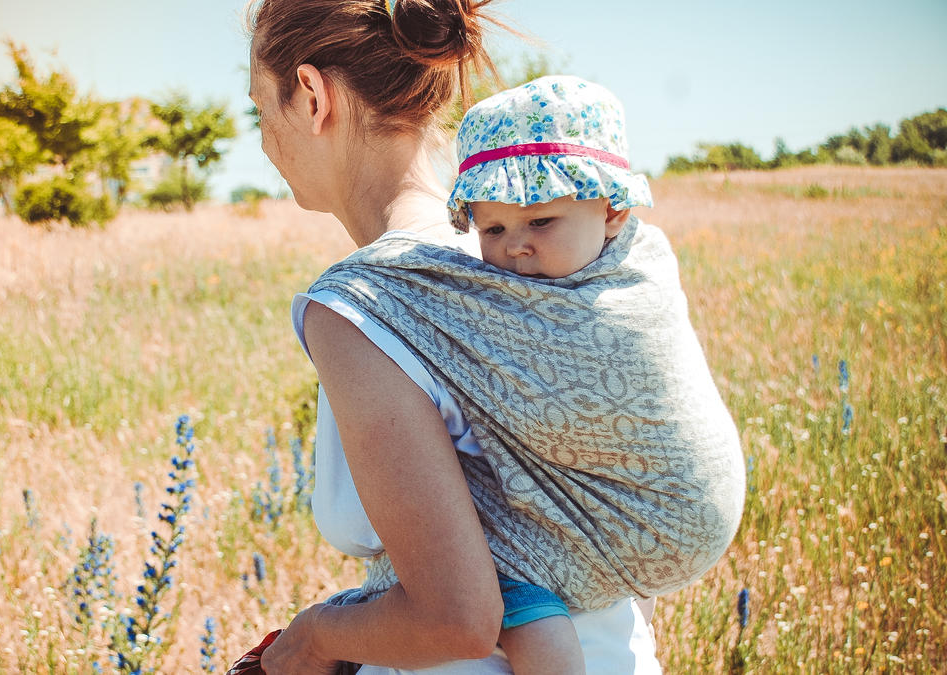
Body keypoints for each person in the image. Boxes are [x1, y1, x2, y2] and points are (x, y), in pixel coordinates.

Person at [244, 1, 725, 673]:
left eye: (258, 108)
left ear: (313, 94)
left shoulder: (364, 305)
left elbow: (459, 619)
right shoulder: (553, 254)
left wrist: (312, 637)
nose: (263, 140)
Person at [423, 74, 746, 675]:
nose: (515, 247)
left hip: (653, 509)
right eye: (492, 229)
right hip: (649, 524)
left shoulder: (632, 287)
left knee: (511, 590)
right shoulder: (584, 265)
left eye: (540, 222)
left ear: (614, 210)